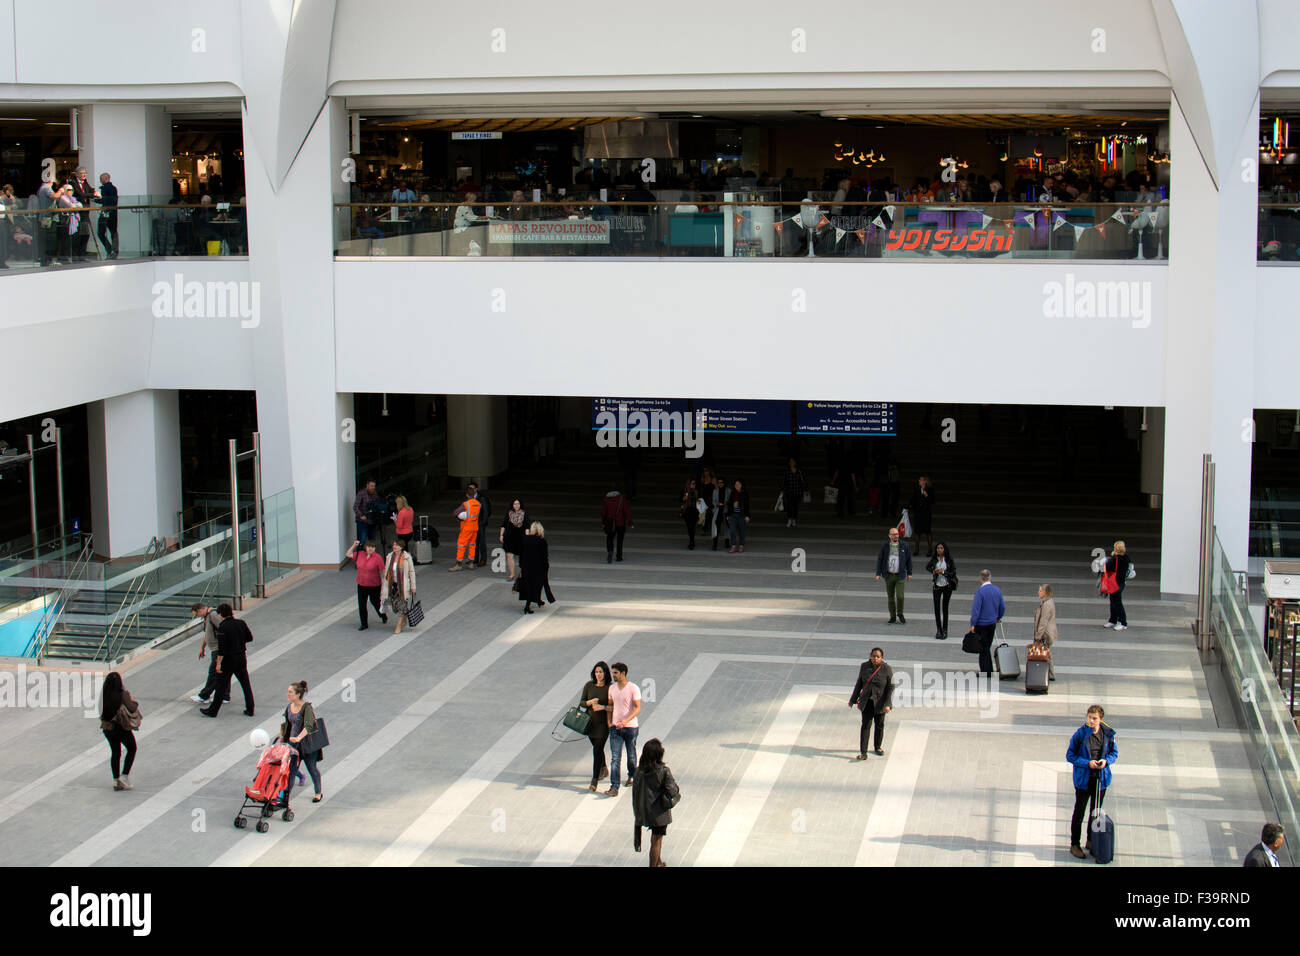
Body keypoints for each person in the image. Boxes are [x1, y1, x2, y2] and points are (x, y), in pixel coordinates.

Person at [1066, 704, 1118, 859]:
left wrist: (1106, 761)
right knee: (1079, 812)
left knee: (1095, 812)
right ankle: (1075, 844)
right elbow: (1070, 756)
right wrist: (1087, 763)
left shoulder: (1107, 734)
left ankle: (1090, 839)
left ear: (1101, 719)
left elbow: (1114, 753)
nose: (1091, 721)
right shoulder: (1080, 735)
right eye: (1089, 717)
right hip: (1084, 779)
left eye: (1094, 718)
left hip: (1100, 779)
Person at [199, 604, 254, 717]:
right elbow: (249, 638)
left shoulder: (223, 627)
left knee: (221, 686)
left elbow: (222, 649)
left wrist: (218, 664)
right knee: (245, 684)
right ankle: (250, 709)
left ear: (220, 614)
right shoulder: (241, 623)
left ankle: (213, 711)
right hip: (241, 657)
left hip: (228, 659)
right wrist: (238, 641)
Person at [632, 738, 680, 867]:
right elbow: (672, 790)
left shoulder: (638, 771)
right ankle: (654, 865)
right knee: (657, 839)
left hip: (643, 810)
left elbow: (635, 790)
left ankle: (658, 862)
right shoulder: (663, 771)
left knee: (656, 839)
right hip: (658, 812)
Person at [281, 681, 323, 803]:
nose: (287, 694)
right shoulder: (289, 707)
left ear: (298, 694)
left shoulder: (307, 707)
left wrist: (299, 737)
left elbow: (309, 725)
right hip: (294, 746)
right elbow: (288, 725)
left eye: (290, 692)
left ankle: (318, 792)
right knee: (291, 772)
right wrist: (284, 737)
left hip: (308, 746)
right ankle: (285, 797)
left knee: (312, 768)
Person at [849, 647, 894, 758]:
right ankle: (863, 752)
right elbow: (859, 683)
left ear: (881, 658)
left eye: (878, 657)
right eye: (873, 656)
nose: (875, 658)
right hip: (867, 702)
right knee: (866, 726)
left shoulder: (887, 669)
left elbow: (890, 687)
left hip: (880, 703)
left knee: (879, 726)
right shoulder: (864, 666)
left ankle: (877, 747)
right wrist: (852, 699)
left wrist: (888, 704)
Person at [604, 662, 641, 796]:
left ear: (623, 673)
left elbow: (638, 708)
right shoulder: (612, 688)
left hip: (630, 728)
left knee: (631, 755)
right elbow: (610, 705)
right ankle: (614, 786)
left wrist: (625, 721)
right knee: (615, 758)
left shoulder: (633, 688)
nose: (613, 675)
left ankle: (632, 775)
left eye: (615, 673)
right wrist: (609, 722)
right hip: (615, 728)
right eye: (613, 672)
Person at [99, 672, 140, 791]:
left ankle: (116, 780)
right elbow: (133, 708)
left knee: (115, 753)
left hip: (107, 727)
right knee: (132, 748)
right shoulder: (123, 694)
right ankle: (124, 776)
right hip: (121, 727)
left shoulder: (103, 695)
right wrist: (133, 701)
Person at [967, 569, 1006, 677]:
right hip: (992, 623)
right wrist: (998, 617)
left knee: (983, 648)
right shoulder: (997, 590)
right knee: (987, 645)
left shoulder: (980, 592)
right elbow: (1002, 606)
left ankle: (986, 671)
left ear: (980, 578)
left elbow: (976, 610)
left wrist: (972, 624)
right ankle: (988, 669)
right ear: (990, 578)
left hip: (981, 624)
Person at [189, 602, 230, 703]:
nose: (197, 616)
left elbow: (223, 628)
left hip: (218, 648)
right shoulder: (207, 617)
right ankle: (225, 695)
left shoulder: (212, 615)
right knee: (223, 672)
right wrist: (202, 648)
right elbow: (207, 633)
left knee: (213, 672)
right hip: (215, 648)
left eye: (196, 614)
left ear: (200, 610)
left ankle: (204, 695)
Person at [580, 661, 611, 792]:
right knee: (597, 749)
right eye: (597, 672)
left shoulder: (610, 687)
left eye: (601, 672)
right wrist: (589, 702)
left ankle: (594, 779)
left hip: (604, 725)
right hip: (590, 724)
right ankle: (603, 767)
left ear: (605, 673)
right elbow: (582, 703)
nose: (599, 674)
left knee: (597, 749)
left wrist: (602, 707)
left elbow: (613, 706)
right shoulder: (589, 685)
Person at [345, 538, 387, 631]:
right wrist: (354, 545)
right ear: (365, 547)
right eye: (369, 547)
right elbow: (348, 554)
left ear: (375, 548)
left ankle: (382, 615)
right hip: (362, 584)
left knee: (375, 602)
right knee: (362, 604)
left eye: (372, 547)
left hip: (374, 585)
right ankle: (364, 623)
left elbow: (383, 570)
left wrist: (385, 582)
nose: (370, 549)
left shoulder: (378, 558)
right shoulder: (360, 554)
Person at [875, 527, 913, 624]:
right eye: (893, 534)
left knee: (900, 596)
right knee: (890, 596)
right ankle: (892, 616)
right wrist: (878, 573)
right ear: (889, 536)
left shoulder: (904, 545)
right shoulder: (885, 546)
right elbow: (880, 559)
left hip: (900, 575)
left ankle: (900, 613)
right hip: (889, 575)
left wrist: (909, 573)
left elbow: (909, 560)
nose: (895, 536)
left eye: (896, 534)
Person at [381, 539, 416, 633]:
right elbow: (386, 571)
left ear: (401, 547)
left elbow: (411, 572)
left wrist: (413, 587)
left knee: (402, 603)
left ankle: (399, 625)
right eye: (394, 545)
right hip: (392, 585)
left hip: (403, 586)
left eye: (397, 545)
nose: (394, 547)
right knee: (395, 605)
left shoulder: (407, 557)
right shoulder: (389, 556)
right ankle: (404, 617)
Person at [517, 522, 553, 614]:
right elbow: (545, 556)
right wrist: (546, 567)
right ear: (541, 530)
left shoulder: (525, 539)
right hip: (538, 567)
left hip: (527, 567)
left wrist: (521, 566)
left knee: (530, 586)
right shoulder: (542, 541)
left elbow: (522, 554)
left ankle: (538, 600)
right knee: (537, 585)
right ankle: (527, 607)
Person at [925, 542, 956, 639]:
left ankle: (945, 629)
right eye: (938, 548)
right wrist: (934, 572)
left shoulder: (949, 560)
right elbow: (928, 567)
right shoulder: (935, 559)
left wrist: (943, 572)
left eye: (941, 548)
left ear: (945, 549)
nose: (939, 550)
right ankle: (939, 629)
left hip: (947, 585)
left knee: (945, 608)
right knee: (937, 608)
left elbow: (953, 572)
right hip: (937, 585)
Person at [448, 484, 482, 571]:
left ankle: (458, 564)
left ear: (467, 494)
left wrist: (459, 519)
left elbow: (455, 513)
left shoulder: (465, 504)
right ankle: (471, 563)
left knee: (461, 545)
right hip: (475, 528)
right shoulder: (478, 504)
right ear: (474, 494)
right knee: (472, 545)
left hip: (466, 528)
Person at [499, 498, 530, 581]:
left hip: (521, 538)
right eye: (515, 504)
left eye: (518, 504)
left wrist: (527, 538)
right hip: (509, 537)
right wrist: (501, 535)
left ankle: (521, 574)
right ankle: (512, 574)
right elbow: (504, 525)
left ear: (521, 505)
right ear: (512, 505)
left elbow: (527, 527)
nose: (517, 505)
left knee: (523, 556)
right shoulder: (509, 513)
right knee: (509, 555)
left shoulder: (524, 514)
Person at [1103, 540, 1131, 630]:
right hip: (1121, 582)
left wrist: (1111, 557)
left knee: (1116, 602)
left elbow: (1107, 567)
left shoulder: (1115, 559)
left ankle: (1123, 622)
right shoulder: (1126, 558)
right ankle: (1113, 620)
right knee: (1114, 601)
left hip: (1114, 582)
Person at [1033, 584, 1059, 681]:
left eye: (1040, 590)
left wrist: (1038, 635)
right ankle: (1051, 673)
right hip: (1048, 632)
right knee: (1047, 653)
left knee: (1045, 654)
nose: (1038, 592)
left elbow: (1043, 622)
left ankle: (1050, 673)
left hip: (1046, 634)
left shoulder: (1047, 604)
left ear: (1045, 593)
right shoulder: (1047, 602)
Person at [601, 485, 632, 563]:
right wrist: (630, 522)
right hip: (621, 523)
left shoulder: (606, 500)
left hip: (610, 523)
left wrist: (603, 522)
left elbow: (603, 513)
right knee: (620, 540)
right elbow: (627, 511)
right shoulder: (622, 499)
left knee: (609, 538)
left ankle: (610, 552)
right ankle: (619, 557)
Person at [95, 172, 118, 258]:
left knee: (101, 232)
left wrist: (96, 199)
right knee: (113, 232)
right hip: (113, 212)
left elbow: (104, 200)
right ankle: (114, 251)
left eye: (101, 179)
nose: (100, 181)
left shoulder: (105, 188)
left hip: (106, 213)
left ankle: (109, 249)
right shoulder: (114, 188)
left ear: (105, 179)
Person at [909, 476, 935, 556]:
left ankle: (930, 549)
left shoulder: (930, 490)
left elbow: (932, 501)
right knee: (917, 532)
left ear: (925, 481)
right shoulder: (917, 489)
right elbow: (913, 500)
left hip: (926, 514)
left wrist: (926, 495)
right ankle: (916, 549)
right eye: (919, 479)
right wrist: (908, 507)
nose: (919, 480)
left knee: (928, 532)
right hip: (918, 514)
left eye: (921, 479)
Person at [353, 479, 382, 547]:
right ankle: (359, 556)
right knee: (361, 540)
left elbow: (377, 505)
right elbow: (355, 507)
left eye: (374, 486)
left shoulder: (375, 494)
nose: (373, 488)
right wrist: (361, 515)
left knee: (372, 540)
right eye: (371, 486)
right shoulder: (361, 493)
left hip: (372, 520)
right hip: (362, 521)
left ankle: (370, 556)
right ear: (367, 485)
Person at [780, 458, 807, 528]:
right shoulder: (787, 471)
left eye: (793, 461)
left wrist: (805, 490)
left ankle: (794, 519)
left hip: (798, 491)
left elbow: (803, 481)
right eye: (790, 462)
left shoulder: (799, 471)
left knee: (795, 506)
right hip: (789, 491)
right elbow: (784, 481)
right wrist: (782, 489)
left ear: (795, 463)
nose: (792, 463)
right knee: (789, 506)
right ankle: (789, 519)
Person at [471, 483, 492, 568]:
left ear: (476, 489)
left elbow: (486, 511)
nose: (471, 490)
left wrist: (482, 523)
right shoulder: (470, 497)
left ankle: (483, 559)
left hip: (480, 524)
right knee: (474, 541)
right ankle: (475, 558)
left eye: (472, 488)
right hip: (472, 523)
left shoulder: (481, 498)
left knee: (482, 542)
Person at [727, 479, 750, 554]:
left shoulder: (744, 493)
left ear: (741, 485)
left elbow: (747, 505)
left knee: (741, 531)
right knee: (732, 531)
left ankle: (741, 545)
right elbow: (729, 504)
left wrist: (747, 515)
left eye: (738, 484)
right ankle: (733, 546)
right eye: (735, 484)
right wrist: (728, 515)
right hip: (733, 515)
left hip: (741, 515)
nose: (737, 486)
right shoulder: (732, 493)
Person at [679, 477, 700, 549]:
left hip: (694, 510)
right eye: (693, 483)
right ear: (689, 484)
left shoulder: (696, 491)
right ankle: (691, 540)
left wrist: (698, 500)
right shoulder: (684, 491)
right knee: (689, 527)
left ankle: (692, 541)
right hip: (687, 511)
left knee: (692, 527)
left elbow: (699, 499)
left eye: (695, 484)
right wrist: (684, 498)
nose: (694, 485)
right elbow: (680, 500)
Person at [709, 474, 728, 550]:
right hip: (718, 511)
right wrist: (716, 504)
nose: (720, 484)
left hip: (725, 510)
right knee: (716, 527)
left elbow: (730, 501)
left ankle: (727, 542)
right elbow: (713, 501)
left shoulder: (728, 491)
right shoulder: (715, 491)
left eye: (722, 482)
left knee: (727, 527)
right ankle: (715, 543)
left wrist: (726, 502)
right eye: (719, 482)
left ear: (724, 483)